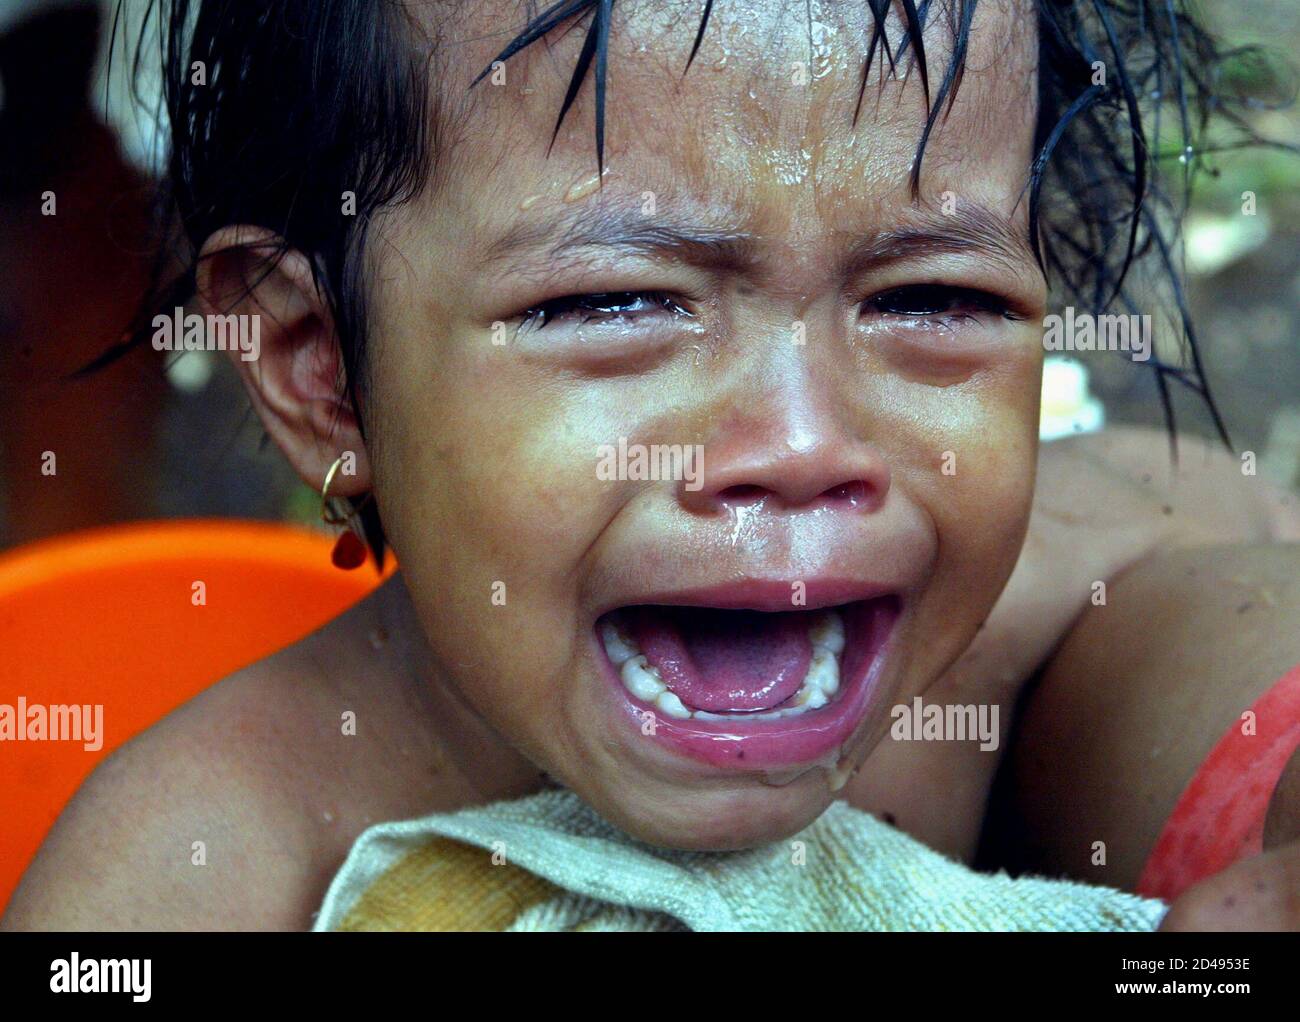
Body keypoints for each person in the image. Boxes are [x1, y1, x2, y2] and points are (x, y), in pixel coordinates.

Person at [4, 0, 1298, 930]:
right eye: (612, 305)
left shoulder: (989, 652)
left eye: (934, 299)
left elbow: (1190, 520)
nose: (801, 446)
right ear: (318, 365)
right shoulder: (198, 873)